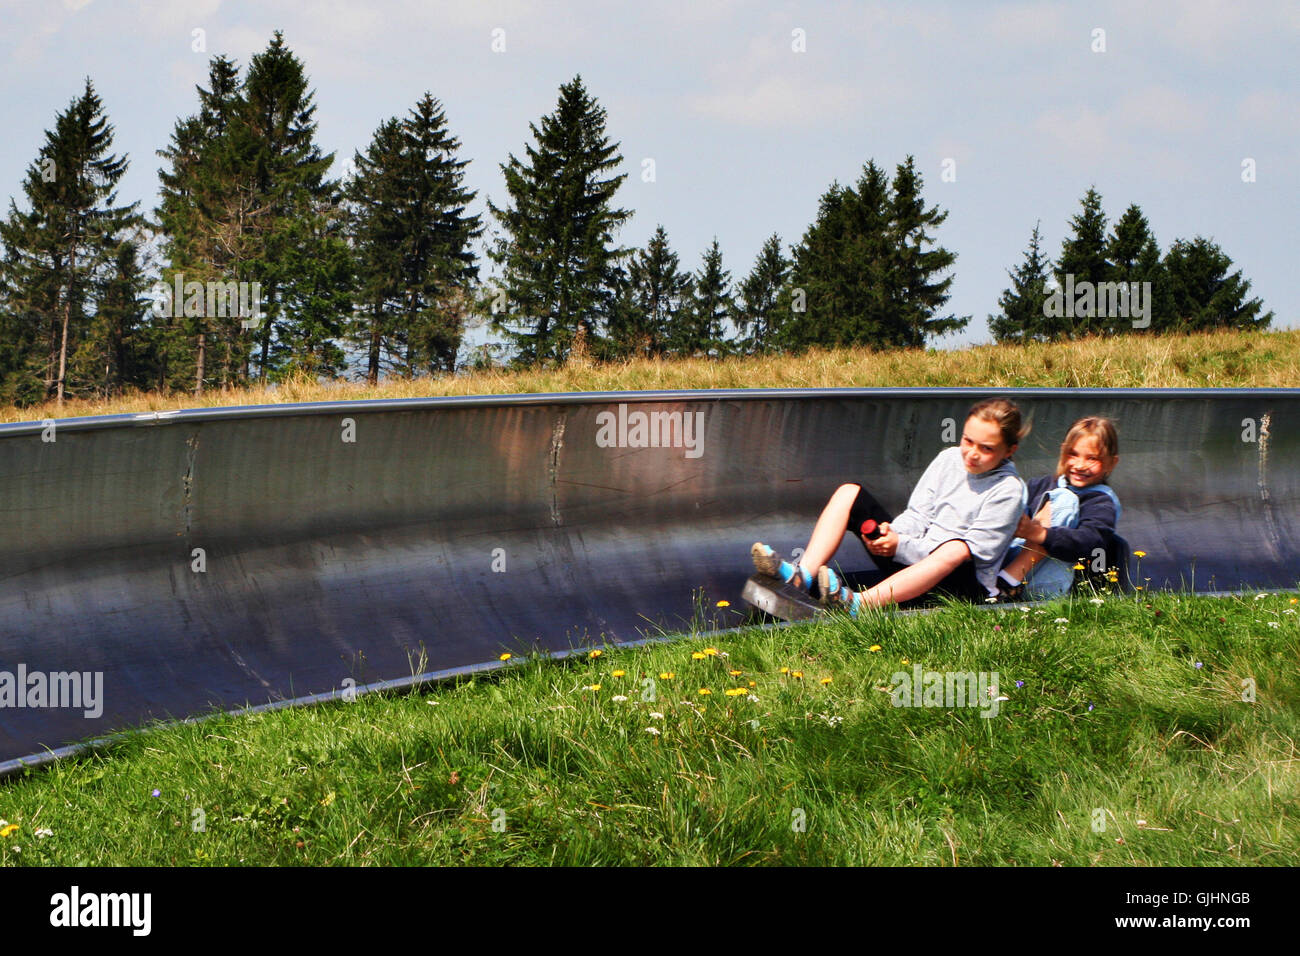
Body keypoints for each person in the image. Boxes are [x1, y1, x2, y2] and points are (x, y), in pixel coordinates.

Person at [752, 397, 1029, 615]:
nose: (972, 453)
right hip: (912, 562)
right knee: (850, 492)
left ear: (1010, 450)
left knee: (956, 548)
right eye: (968, 440)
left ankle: (858, 605)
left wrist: (902, 546)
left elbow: (968, 553)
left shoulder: (1009, 490)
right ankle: (803, 576)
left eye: (986, 448)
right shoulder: (949, 459)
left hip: (960, 584)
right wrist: (890, 535)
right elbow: (919, 514)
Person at [995, 416, 1121, 601]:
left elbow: (1091, 543)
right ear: (1063, 452)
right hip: (1009, 559)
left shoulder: (1101, 501)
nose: (1080, 465)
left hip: (1046, 583)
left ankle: (1008, 582)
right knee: (1012, 488)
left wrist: (1040, 534)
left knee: (1064, 499)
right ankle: (986, 580)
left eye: (1092, 458)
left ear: (1111, 463)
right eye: (1073, 454)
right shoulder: (1041, 484)